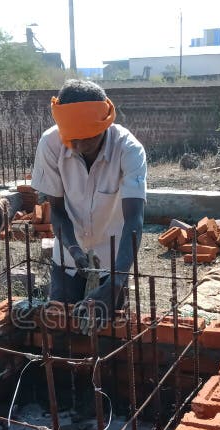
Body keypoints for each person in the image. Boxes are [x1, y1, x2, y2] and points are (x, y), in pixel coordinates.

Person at [31, 79, 147, 330]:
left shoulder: (129, 150)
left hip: (115, 257)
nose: (80, 146)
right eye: (72, 139)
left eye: (88, 138)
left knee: (110, 334)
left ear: (105, 124)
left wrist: (116, 281)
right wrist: (74, 251)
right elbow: (58, 211)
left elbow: (134, 220)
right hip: (68, 256)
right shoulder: (51, 144)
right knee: (62, 329)